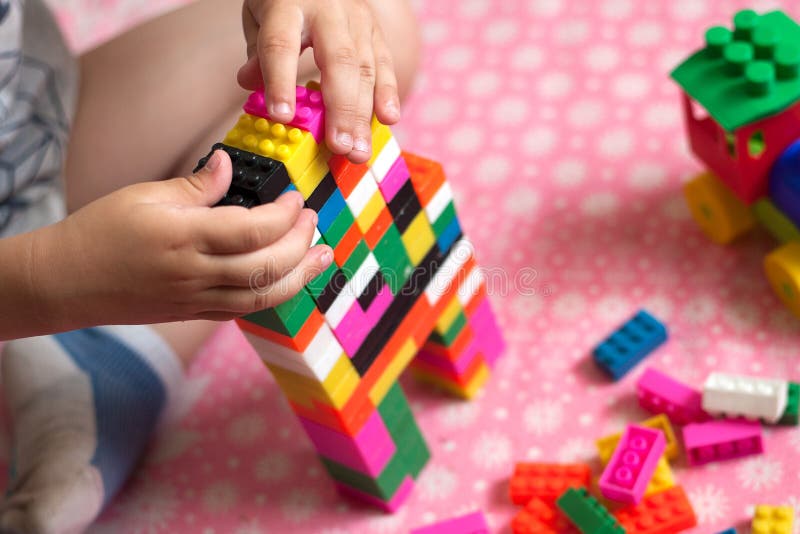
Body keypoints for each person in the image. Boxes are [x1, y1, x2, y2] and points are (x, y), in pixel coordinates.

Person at [0, 0, 419, 531]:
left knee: (367, 40)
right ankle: (119, 359)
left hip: (32, 123)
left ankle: (99, 355)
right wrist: (55, 278)